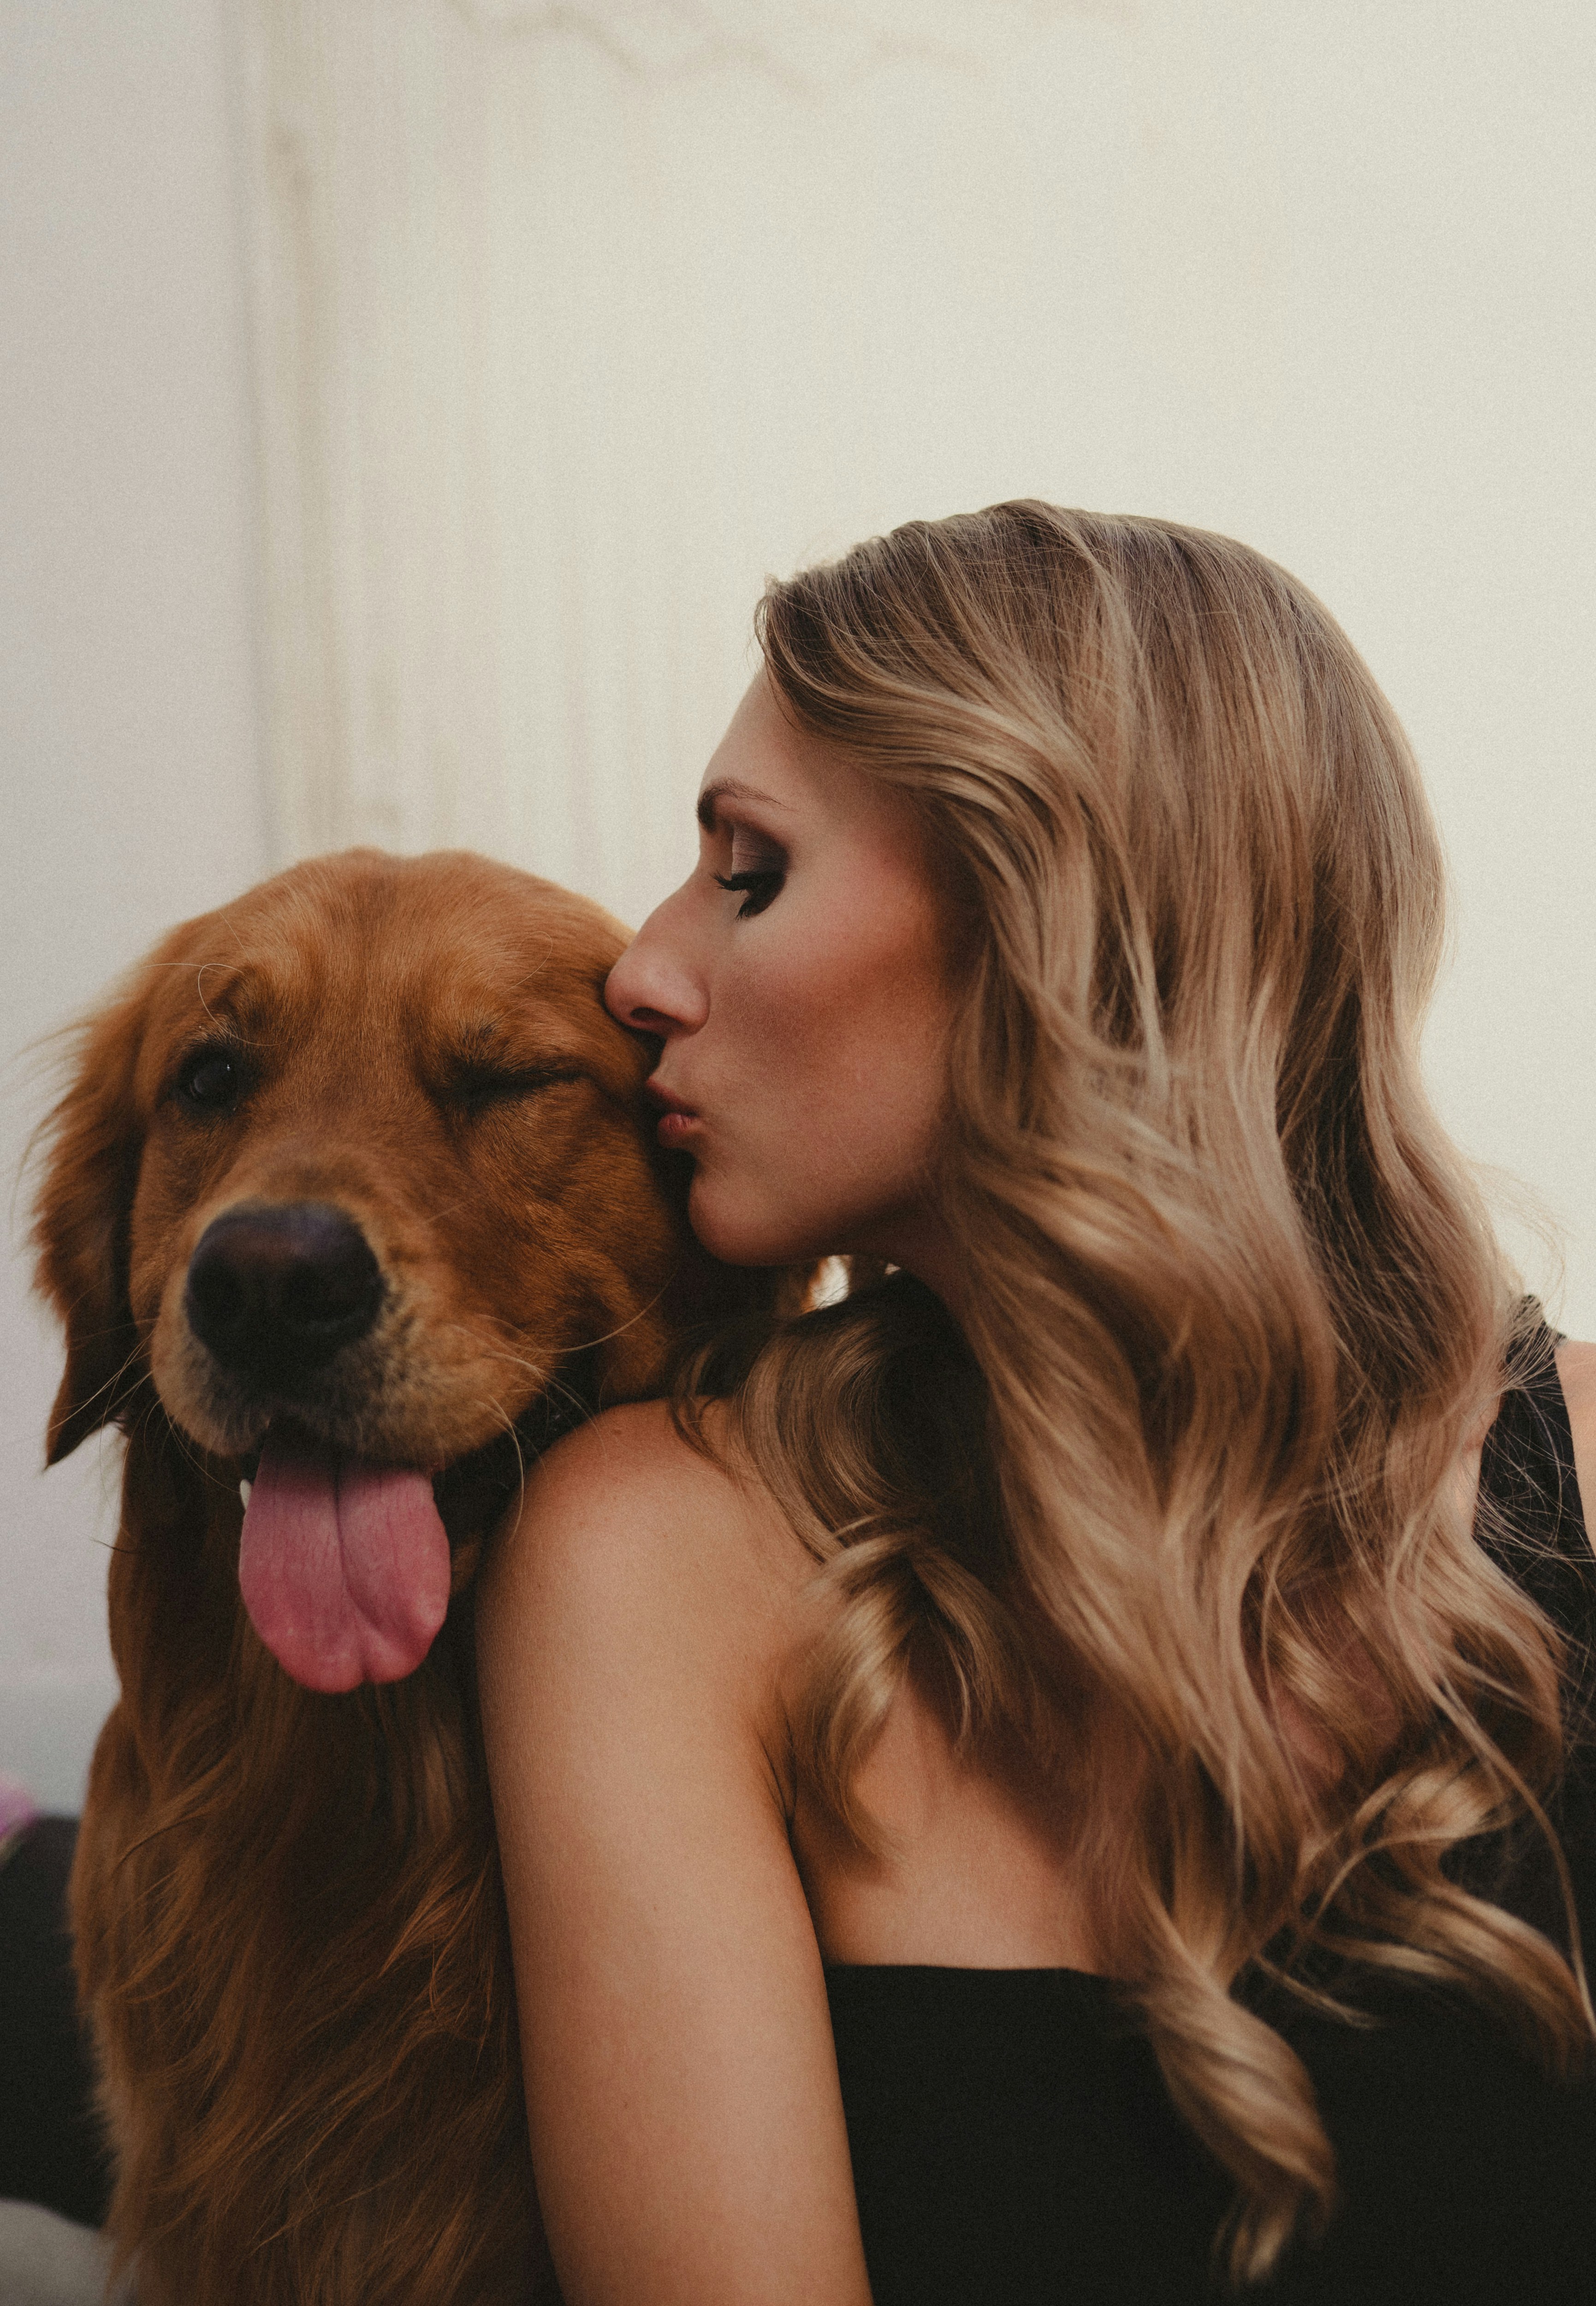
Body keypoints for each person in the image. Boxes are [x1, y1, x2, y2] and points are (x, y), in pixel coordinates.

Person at [476, 503, 1596, 2305]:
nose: (639, 969)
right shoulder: (653, 1559)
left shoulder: (1584, 1478)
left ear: (1045, 920)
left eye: (746, 870)